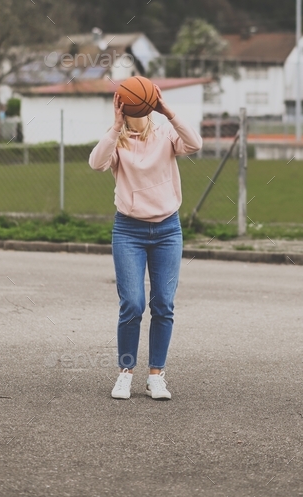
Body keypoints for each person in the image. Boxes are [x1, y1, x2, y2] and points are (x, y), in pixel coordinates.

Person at [89, 86, 202, 401]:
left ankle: (156, 376)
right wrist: (115, 126)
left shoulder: (166, 134)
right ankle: (125, 373)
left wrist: (170, 112)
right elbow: (96, 163)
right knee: (133, 304)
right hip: (129, 231)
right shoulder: (117, 141)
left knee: (163, 303)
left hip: (168, 230)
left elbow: (195, 143)